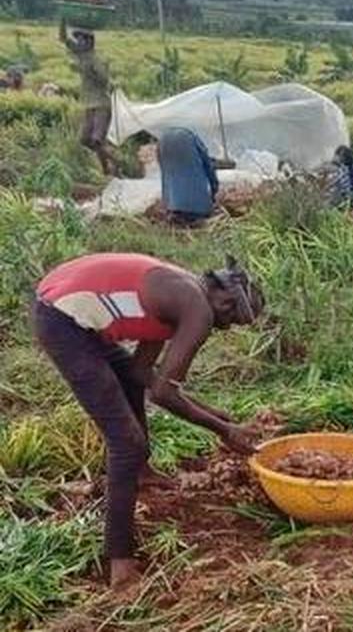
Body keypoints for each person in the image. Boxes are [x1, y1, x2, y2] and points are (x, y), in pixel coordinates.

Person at [32, 253, 263, 590]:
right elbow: (165, 395)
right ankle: (120, 564)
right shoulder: (197, 309)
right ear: (224, 297)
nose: (225, 326)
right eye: (231, 317)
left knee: (128, 378)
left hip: (63, 308)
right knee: (126, 443)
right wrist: (224, 430)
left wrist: (215, 414)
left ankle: (143, 473)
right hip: (63, 321)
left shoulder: (181, 292)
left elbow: (144, 374)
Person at [60, 20, 117, 176]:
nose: (78, 42)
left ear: (89, 41)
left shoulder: (95, 59)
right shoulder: (82, 55)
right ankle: (112, 162)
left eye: (81, 39)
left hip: (101, 105)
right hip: (89, 105)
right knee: (84, 140)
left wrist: (90, 72)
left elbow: (104, 79)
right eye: (77, 38)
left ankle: (110, 168)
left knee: (96, 140)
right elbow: (63, 39)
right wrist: (63, 19)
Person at [158, 128, 220, 225]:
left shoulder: (162, 141)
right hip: (197, 208)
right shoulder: (191, 137)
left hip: (173, 207)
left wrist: (166, 201)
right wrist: (214, 188)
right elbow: (208, 165)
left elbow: (164, 173)